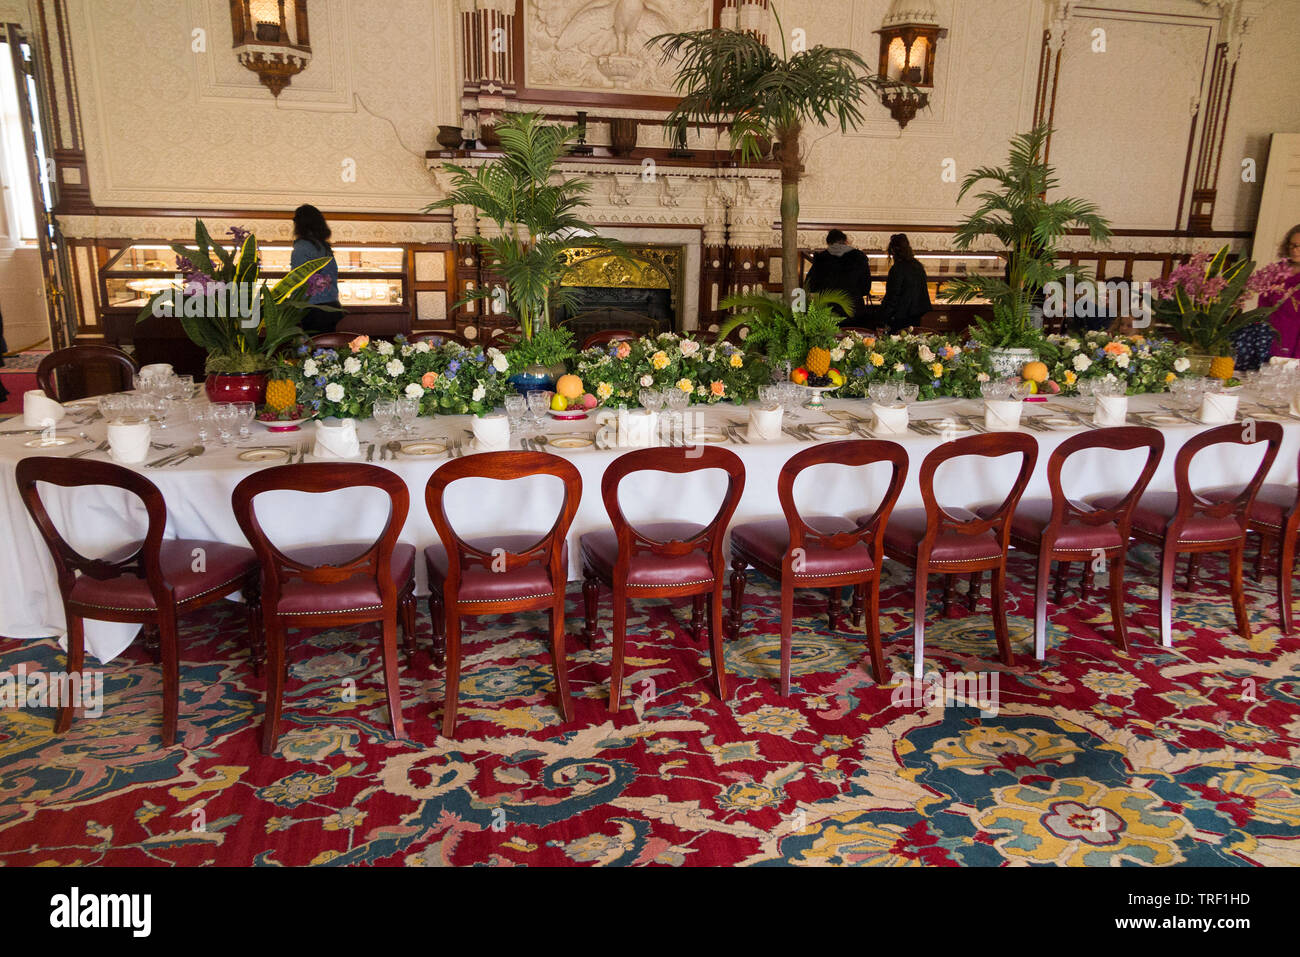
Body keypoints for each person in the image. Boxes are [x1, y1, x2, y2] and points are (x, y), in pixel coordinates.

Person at [291, 204, 341, 334]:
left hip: (311, 308)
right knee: (327, 349)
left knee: (313, 348)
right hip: (331, 305)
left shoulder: (302, 247)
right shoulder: (324, 246)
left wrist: (291, 306)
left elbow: (297, 279)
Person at [805, 229, 871, 323]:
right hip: (854, 309)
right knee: (854, 336)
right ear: (845, 241)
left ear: (828, 243)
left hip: (829, 310)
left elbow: (810, 286)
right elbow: (866, 288)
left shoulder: (821, 259)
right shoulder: (859, 257)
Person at [878, 233, 932, 334]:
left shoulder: (897, 269)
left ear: (893, 251)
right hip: (916, 315)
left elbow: (893, 296)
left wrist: (883, 319)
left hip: (900, 317)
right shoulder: (917, 266)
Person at [1265, 223, 1300, 359]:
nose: (1294, 250)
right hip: (1272, 338)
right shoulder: (1276, 271)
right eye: (1291, 245)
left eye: (1298, 246)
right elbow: (1263, 306)